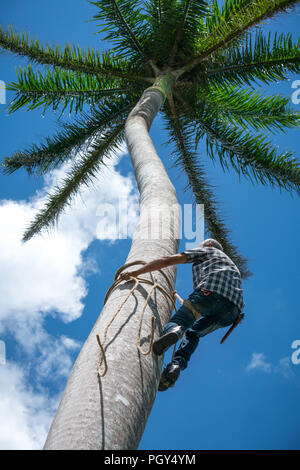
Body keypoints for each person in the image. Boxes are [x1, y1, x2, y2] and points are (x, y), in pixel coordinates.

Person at [119, 238, 244, 391]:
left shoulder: (208, 250)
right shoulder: (233, 266)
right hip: (232, 312)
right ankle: (176, 366)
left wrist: (136, 272)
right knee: (193, 334)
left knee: (181, 322)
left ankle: (174, 330)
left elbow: (167, 261)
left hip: (210, 293)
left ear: (209, 245)